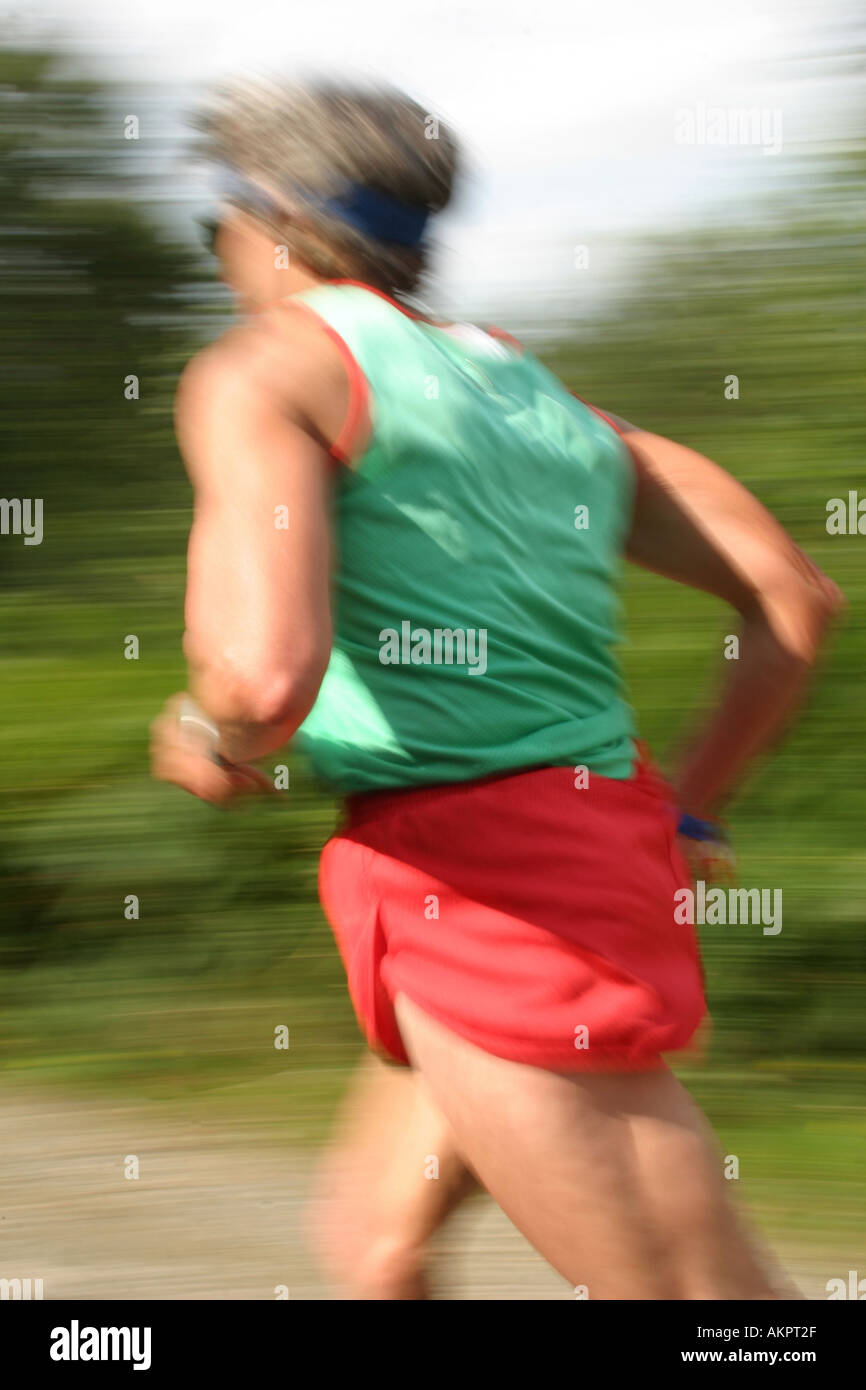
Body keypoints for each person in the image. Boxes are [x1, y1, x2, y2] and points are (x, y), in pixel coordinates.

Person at [151, 77, 843, 1300]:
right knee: (377, 1250)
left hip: (492, 890)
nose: (213, 249)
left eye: (215, 215)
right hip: (583, 841)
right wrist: (689, 808)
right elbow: (790, 597)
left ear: (273, 222)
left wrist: (208, 730)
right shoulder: (540, 399)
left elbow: (262, 677)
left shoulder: (263, 373)